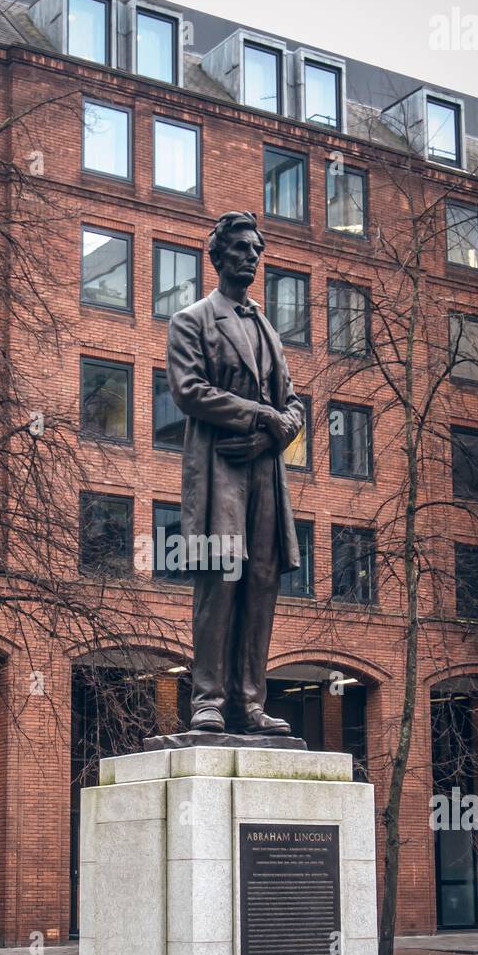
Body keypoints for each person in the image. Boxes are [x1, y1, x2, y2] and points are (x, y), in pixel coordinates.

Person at [166, 211, 305, 734]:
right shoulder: (192, 320)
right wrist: (260, 415)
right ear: (219, 255)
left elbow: (293, 404)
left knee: (261, 582)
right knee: (220, 580)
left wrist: (276, 428)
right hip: (219, 469)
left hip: (266, 475)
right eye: (243, 248)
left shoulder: (267, 327)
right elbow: (188, 390)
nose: (252, 257)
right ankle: (208, 699)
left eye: (257, 250)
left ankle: (249, 702)